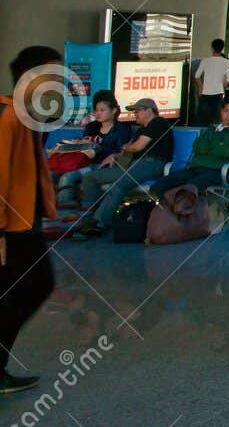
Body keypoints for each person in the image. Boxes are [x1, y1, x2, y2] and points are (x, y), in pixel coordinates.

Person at [0, 46, 63, 394]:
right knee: (33, 287)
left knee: (27, 289)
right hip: (12, 228)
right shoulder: (7, 117)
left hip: (26, 221)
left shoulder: (26, 118)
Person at [72, 97, 175, 239]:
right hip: (133, 165)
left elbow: (137, 146)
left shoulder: (159, 123)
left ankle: (98, 224)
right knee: (90, 177)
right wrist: (115, 155)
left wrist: (126, 148)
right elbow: (127, 149)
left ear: (149, 110)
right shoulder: (142, 130)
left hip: (151, 164)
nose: (135, 114)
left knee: (119, 185)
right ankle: (89, 217)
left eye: (137, 111)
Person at [152, 96, 229, 199]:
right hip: (196, 168)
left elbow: (226, 152)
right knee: (161, 184)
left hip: (217, 171)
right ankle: (161, 212)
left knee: (189, 188)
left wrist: (211, 143)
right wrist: (218, 143)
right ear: (221, 111)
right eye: (226, 111)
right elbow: (197, 147)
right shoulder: (211, 128)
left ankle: (180, 212)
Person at [49, 92, 132, 203]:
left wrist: (98, 146)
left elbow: (119, 152)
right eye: (96, 110)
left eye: (102, 110)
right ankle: (49, 210)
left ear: (113, 111)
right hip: (83, 161)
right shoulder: (91, 127)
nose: (98, 114)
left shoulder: (122, 129)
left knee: (67, 177)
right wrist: (78, 142)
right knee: (51, 174)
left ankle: (65, 212)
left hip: (101, 165)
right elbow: (83, 150)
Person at [193, 38, 229, 125]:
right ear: (222, 49)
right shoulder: (226, 62)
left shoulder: (205, 61)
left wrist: (201, 87)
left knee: (202, 121)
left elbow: (197, 76)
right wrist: (222, 86)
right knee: (216, 121)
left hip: (205, 94)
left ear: (212, 48)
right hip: (218, 94)